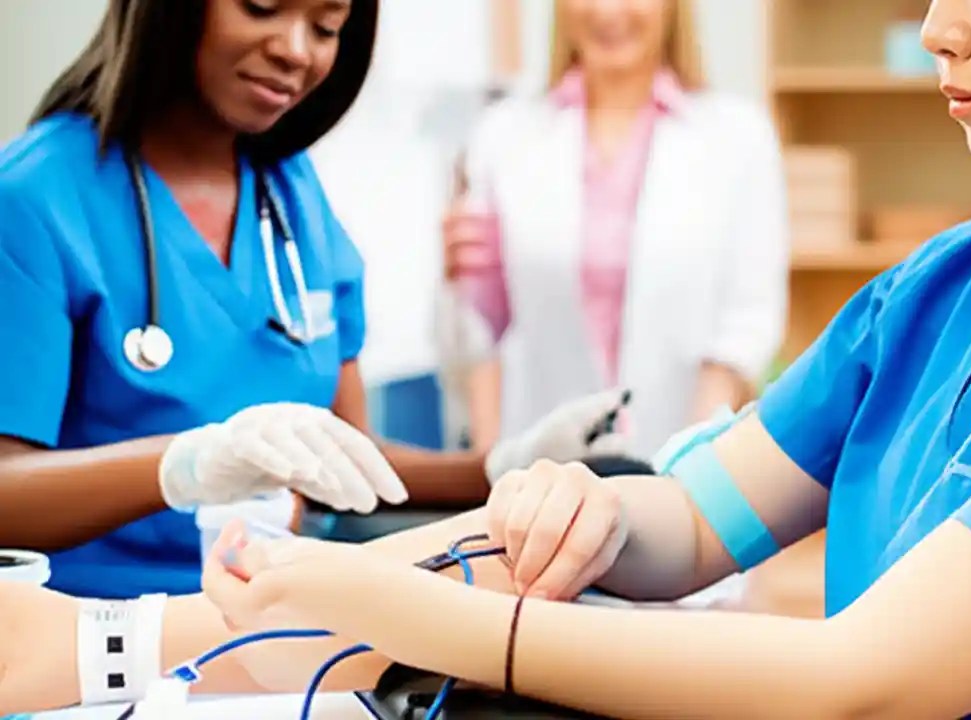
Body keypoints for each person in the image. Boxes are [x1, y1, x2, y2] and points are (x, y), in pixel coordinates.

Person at [4, 0, 971, 717]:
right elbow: (693, 514)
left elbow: (868, 681)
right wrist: (590, 504)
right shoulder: (956, 276)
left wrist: (388, 604)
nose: (938, 28)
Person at [0, 0, 625, 601]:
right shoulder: (37, 197)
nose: (296, 52)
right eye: (261, 7)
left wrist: (504, 468)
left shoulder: (290, 190)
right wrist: (186, 464)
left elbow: (346, 463)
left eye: (326, 27)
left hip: (277, 631)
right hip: (98, 649)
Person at [443, 0, 788, 458]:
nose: (608, 10)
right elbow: (479, 334)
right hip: (535, 472)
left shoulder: (739, 138)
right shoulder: (503, 135)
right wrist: (488, 472)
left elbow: (745, 325)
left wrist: (686, 471)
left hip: (678, 462)